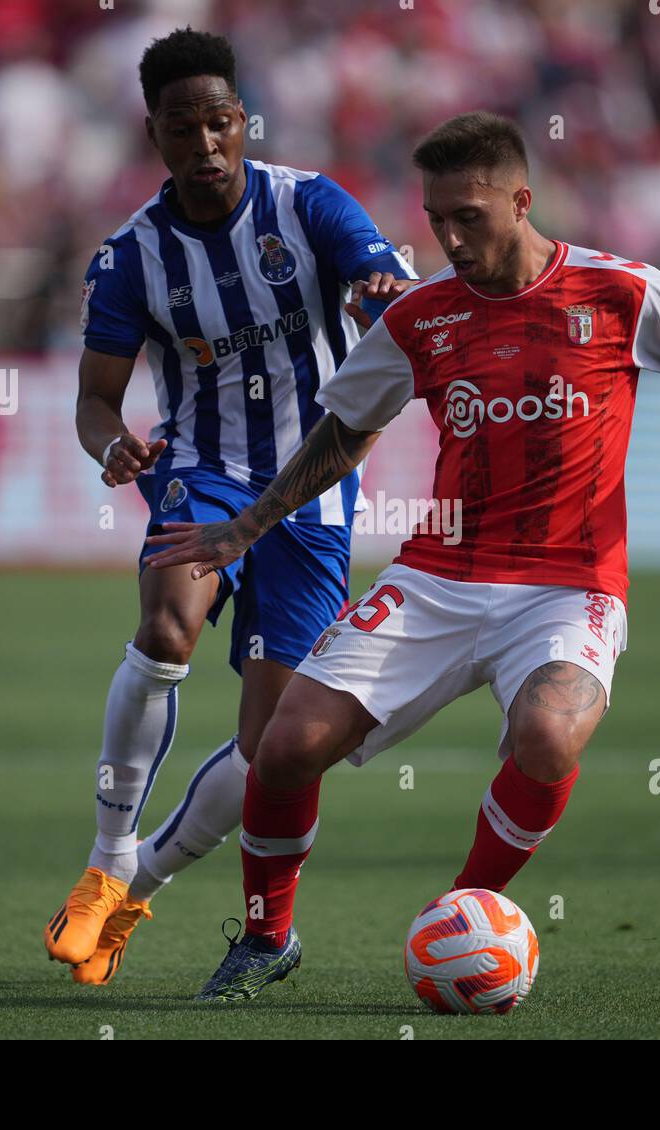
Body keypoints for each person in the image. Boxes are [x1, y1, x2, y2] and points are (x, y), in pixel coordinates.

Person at [144, 111, 660, 1001]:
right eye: (436, 219)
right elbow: (344, 434)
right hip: (438, 576)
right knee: (286, 746)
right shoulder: (420, 317)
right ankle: (266, 940)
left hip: (569, 587)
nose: (449, 238)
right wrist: (249, 524)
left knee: (548, 734)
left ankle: (466, 910)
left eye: (469, 217)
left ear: (521, 201)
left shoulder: (621, 293)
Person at [44, 27, 415, 985]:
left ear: (242, 121)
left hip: (315, 486)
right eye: (183, 129)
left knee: (272, 748)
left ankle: (140, 891)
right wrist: (111, 442)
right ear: (154, 135)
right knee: (168, 628)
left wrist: (383, 297)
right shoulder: (132, 256)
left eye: (220, 123)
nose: (206, 144)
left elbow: (397, 307)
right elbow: (94, 399)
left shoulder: (312, 205)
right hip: (201, 468)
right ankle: (106, 859)